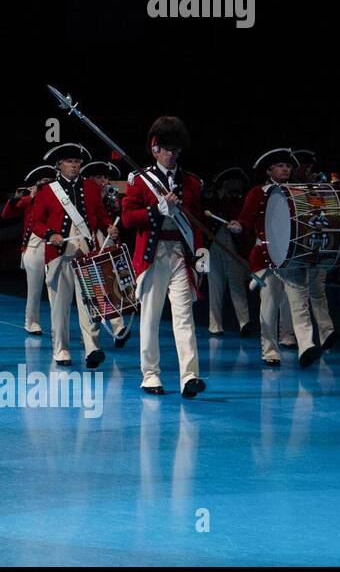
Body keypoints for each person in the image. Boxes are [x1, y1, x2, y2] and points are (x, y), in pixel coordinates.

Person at [120, 116, 208, 397]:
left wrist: (201, 253)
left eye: (176, 149)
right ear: (155, 149)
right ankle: (150, 375)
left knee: (184, 317)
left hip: (181, 254)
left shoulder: (191, 182)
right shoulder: (139, 180)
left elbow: (196, 222)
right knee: (151, 318)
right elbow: (127, 219)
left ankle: (190, 376)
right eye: (166, 149)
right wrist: (155, 210)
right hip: (152, 254)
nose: (172, 154)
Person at [232, 148, 321, 368]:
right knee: (269, 307)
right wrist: (238, 227)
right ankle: (270, 350)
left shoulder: (297, 192)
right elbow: (245, 220)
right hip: (267, 256)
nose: (286, 169)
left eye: (289, 166)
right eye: (281, 166)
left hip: (292, 256)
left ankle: (307, 345)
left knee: (299, 303)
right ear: (270, 169)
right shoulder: (258, 192)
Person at [30, 144, 115, 367]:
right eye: (69, 162)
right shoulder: (48, 191)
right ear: (59, 165)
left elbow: (101, 215)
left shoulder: (91, 188)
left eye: (77, 162)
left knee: (90, 304)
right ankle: (61, 350)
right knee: (60, 306)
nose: (74, 166)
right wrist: (50, 234)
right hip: (60, 254)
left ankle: (92, 349)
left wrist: (109, 227)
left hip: (86, 252)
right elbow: (36, 222)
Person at [293, 149, 340, 351]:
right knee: (296, 297)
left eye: (310, 167)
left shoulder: (319, 188)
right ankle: (295, 339)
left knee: (317, 291)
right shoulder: (288, 190)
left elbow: (329, 214)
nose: (308, 171)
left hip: (316, 245)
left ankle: (326, 332)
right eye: (304, 166)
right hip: (294, 249)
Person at [80, 159, 132, 344]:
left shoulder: (110, 196)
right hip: (90, 241)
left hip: (106, 241)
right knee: (92, 289)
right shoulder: (82, 195)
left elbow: (118, 219)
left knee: (112, 283)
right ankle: (92, 335)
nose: (103, 181)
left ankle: (119, 327)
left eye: (105, 177)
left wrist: (113, 225)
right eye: (99, 177)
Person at [2, 164, 55, 335]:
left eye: (50, 181)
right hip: (35, 244)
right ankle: (31, 322)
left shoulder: (61, 198)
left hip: (56, 243)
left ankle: (58, 324)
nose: (46, 185)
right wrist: (17, 198)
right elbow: (6, 214)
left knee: (56, 288)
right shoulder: (31, 199)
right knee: (34, 289)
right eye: (42, 182)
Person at [203, 166, 254, 336]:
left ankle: (244, 323)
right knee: (215, 285)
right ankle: (214, 324)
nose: (232, 186)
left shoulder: (242, 201)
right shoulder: (213, 200)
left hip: (234, 247)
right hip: (214, 245)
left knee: (236, 284)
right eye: (229, 183)